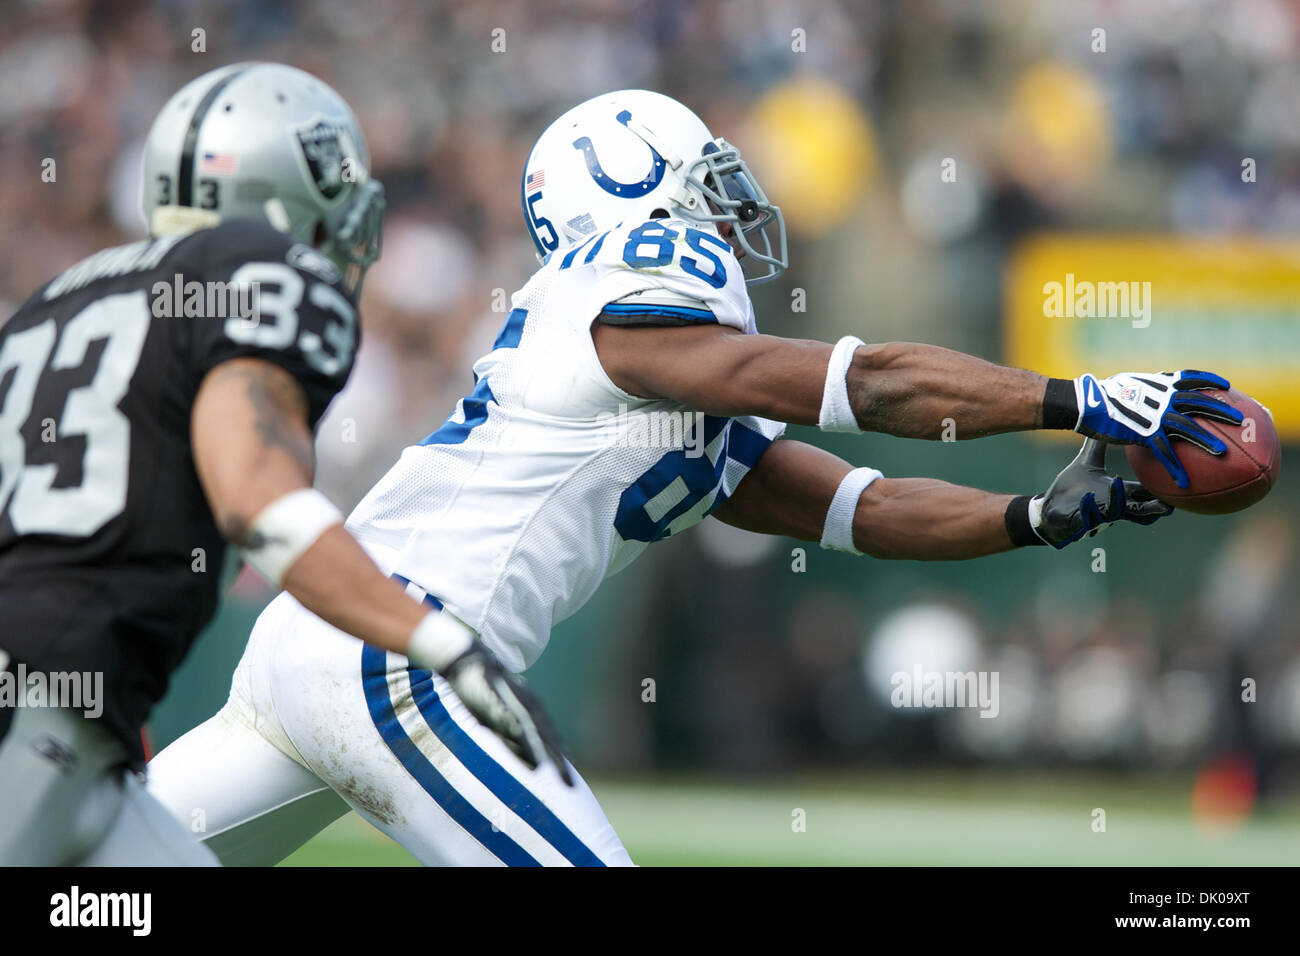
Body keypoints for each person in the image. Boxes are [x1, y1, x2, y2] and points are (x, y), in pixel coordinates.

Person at [146, 89, 1242, 866]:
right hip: (402, 653)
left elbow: (860, 504)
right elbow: (863, 385)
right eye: (705, 183)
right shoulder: (622, 298)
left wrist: (1032, 513)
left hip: (316, 645)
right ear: (629, 194)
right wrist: (1081, 399)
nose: (729, 211)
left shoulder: (656, 379)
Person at [0, 62, 565, 867]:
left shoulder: (57, 298)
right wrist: (440, 644)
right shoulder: (265, 274)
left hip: (65, 712)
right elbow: (257, 500)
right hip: (36, 705)